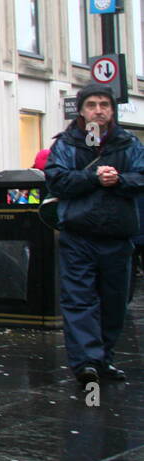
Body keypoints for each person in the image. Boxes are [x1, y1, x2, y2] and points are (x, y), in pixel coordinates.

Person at [44, 85, 144, 387]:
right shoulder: (66, 144)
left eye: (104, 104)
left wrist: (120, 180)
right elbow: (56, 179)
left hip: (117, 236)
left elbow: (141, 177)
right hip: (78, 234)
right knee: (79, 300)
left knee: (114, 302)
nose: (98, 110)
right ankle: (86, 362)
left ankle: (104, 358)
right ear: (82, 110)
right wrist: (93, 177)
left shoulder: (128, 143)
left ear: (112, 110)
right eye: (91, 104)